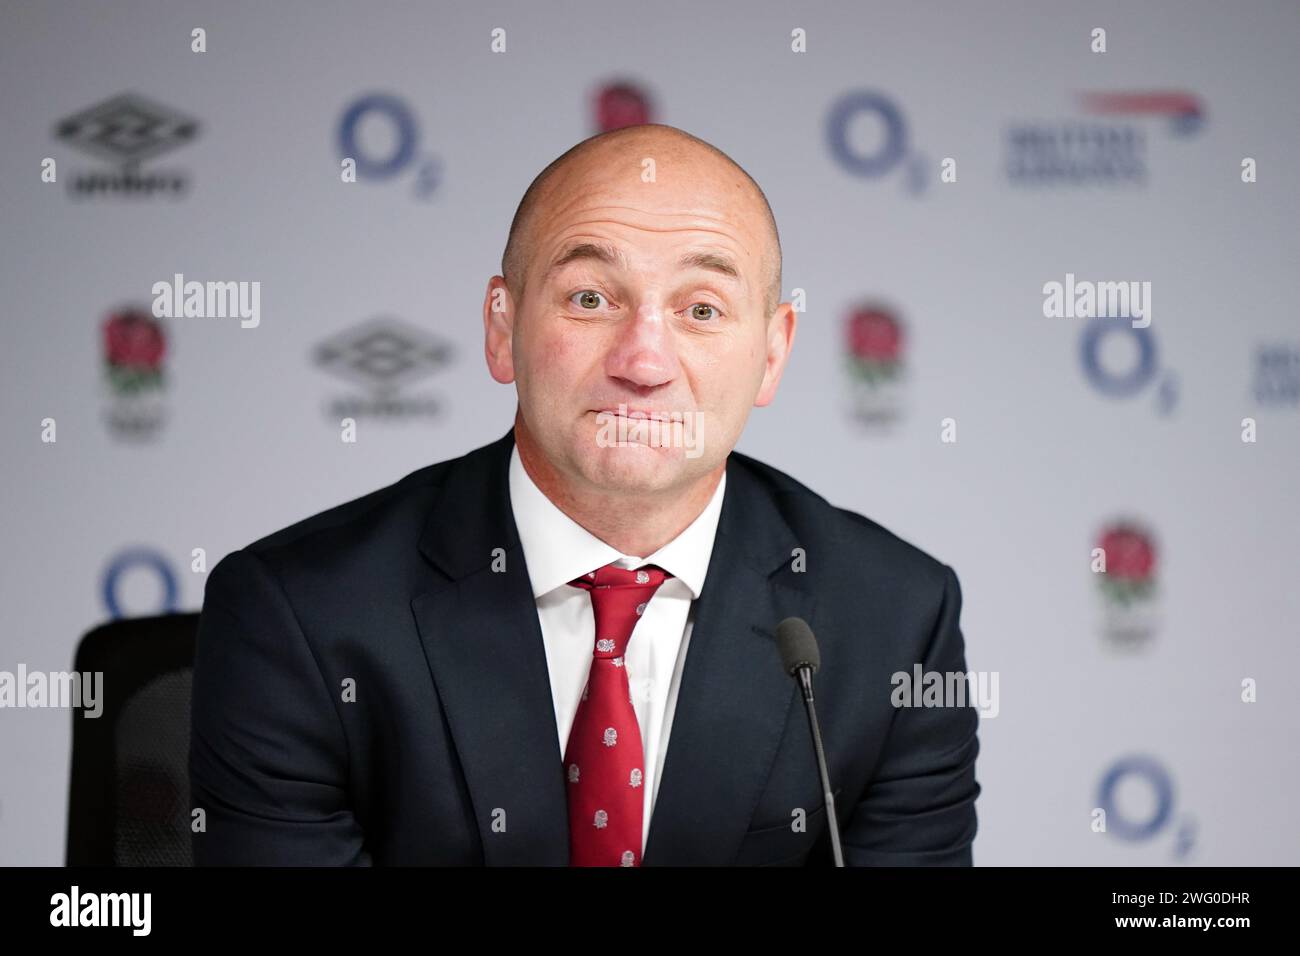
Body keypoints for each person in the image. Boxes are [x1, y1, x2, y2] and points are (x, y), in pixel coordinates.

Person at [189, 123, 980, 866]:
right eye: (591, 299)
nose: (644, 361)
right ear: (502, 328)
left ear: (772, 354)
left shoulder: (896, 620)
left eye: (701, 310)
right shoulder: (300, 614)